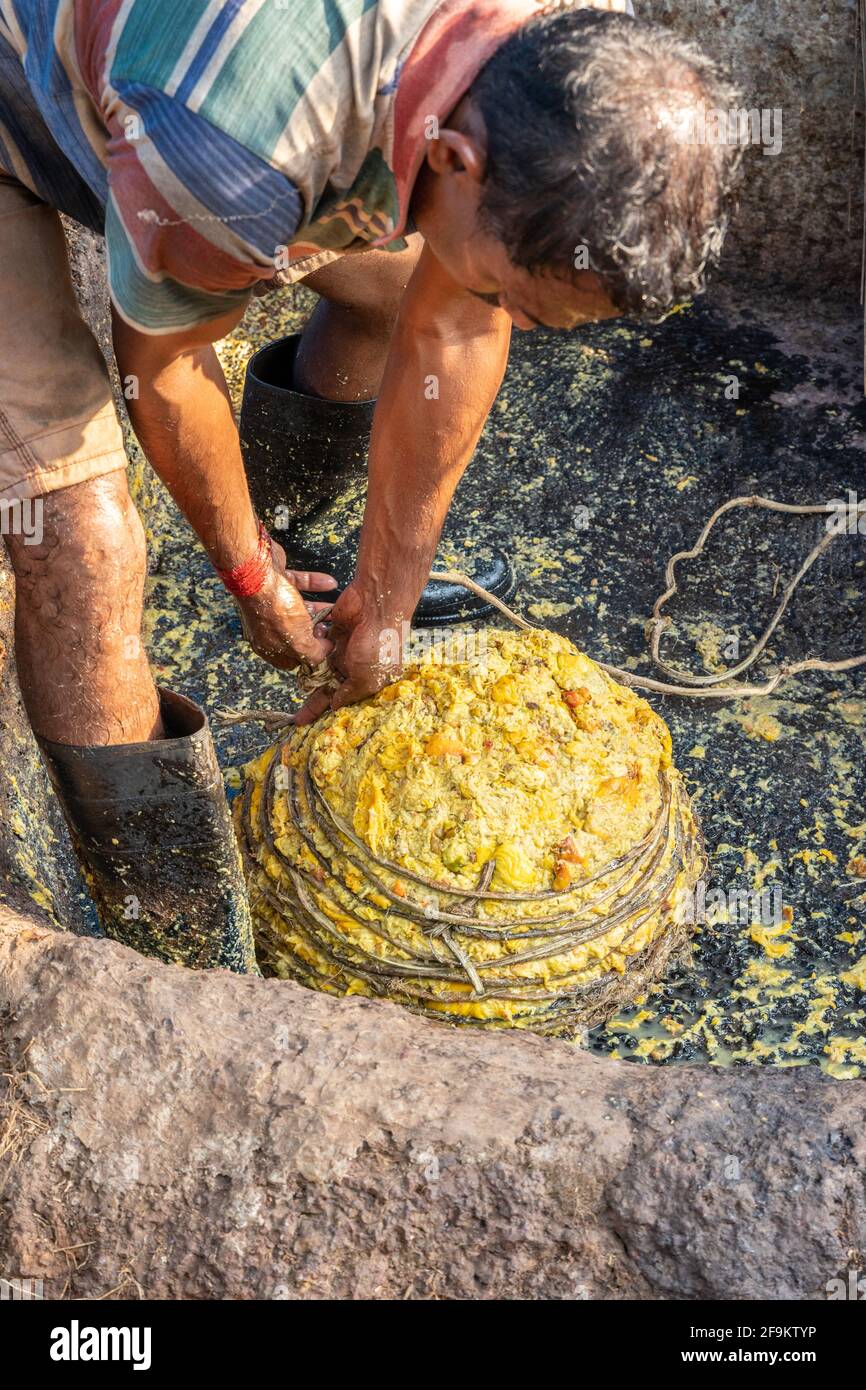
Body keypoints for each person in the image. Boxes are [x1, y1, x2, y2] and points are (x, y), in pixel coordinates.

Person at [0, 0, 740, 970]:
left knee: (403, 292)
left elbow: (454, 318)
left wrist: (382, 604)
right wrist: (247, 577)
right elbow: (165, 371)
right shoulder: (234, 156)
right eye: (517, 294)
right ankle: (173, 961)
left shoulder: (559, 55)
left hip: (187, 121)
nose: (509, 317)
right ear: (454, 160)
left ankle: (297, 520)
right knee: (82, 536)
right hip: (30, 111)